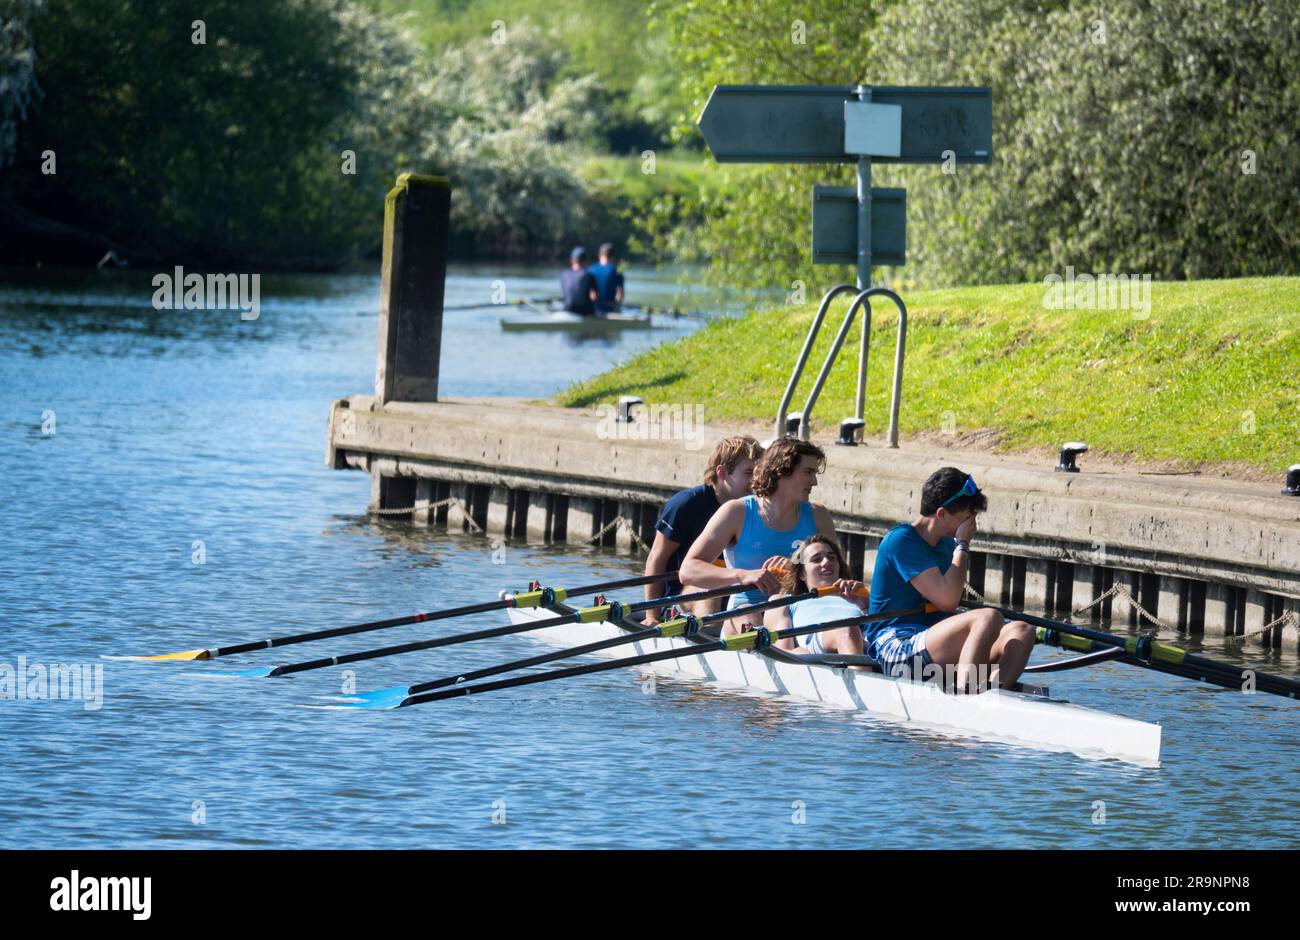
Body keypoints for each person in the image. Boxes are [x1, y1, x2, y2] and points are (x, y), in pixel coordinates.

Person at [866, 467, 1035, 692]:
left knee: (1022, 631)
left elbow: (947, 604)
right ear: (941, 514)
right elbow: (948, 600)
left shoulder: (946, 544)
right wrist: (962, 545)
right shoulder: (901, 541)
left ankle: (994, 693)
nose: (971, 526)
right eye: (965, 519)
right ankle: (966, 694)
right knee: (987, 618)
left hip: (933, 641)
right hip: (896, 645)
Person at [679, 438, 838, 633]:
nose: (814, 481)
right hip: (747, 612)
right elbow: (688, 570)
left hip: (801, 610)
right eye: (808, 472)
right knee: (750, 616)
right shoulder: (737, 512)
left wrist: (794, 568)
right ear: (781, 470)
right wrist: (744, 575)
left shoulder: (818, 515)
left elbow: (839, 574)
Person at [642, 435, 763, 625]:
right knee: (710, 588)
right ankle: (710, 635)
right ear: (722, 473)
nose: (756, 481)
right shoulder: (686, 504)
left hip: (735, 594)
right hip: (684, 596)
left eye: (758, 473)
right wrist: (651, 616)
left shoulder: (756, 508)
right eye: (748, 473)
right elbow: (657, 558)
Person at [762, 535, 867, 657]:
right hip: (824, 639)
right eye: (817, 559)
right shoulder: (783, 601)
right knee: (847, 631)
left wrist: (865, 605)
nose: (827, 562)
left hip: (864, 635)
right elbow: (783, 652)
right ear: (802, 573)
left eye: (832, 557)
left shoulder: (859, 596)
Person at [560, 246, 598, 316]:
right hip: (583, 312)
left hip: (567, 310)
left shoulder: (563, 275)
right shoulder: (589, 275)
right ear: (586, 261)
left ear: (571, 261)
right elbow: (595, 297)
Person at [588, 243, 625, 314]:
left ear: (599, 255)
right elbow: (620, 296)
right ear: (613, 257)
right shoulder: (617, 272)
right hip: (609, 309)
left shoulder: (590, 269)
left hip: (592, 309)